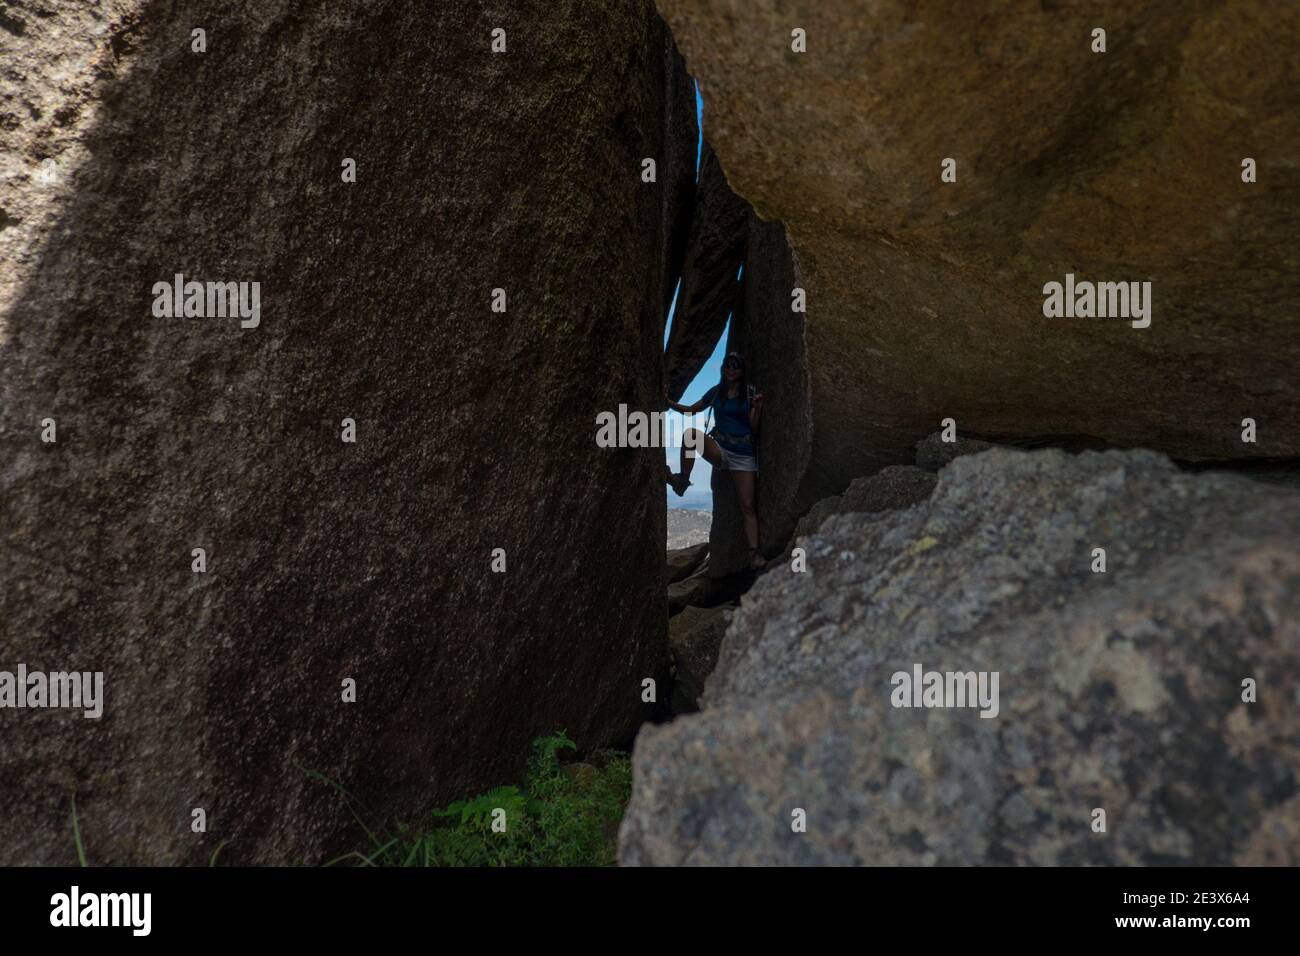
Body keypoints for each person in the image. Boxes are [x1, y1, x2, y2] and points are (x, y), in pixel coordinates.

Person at [665, 351, 765, 570]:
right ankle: (682, 480)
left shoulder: (749, 393)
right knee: (690, 435)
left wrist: (757, 408)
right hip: (720, 448)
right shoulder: (717, 391)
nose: (730, 370)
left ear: (741, 370)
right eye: (727, 366)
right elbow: (692, 410)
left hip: (743, 454)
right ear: (723, 369)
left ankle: (754, 553)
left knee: (747, 506)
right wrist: (668, 403)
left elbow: (754, 428)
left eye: (735, 366)